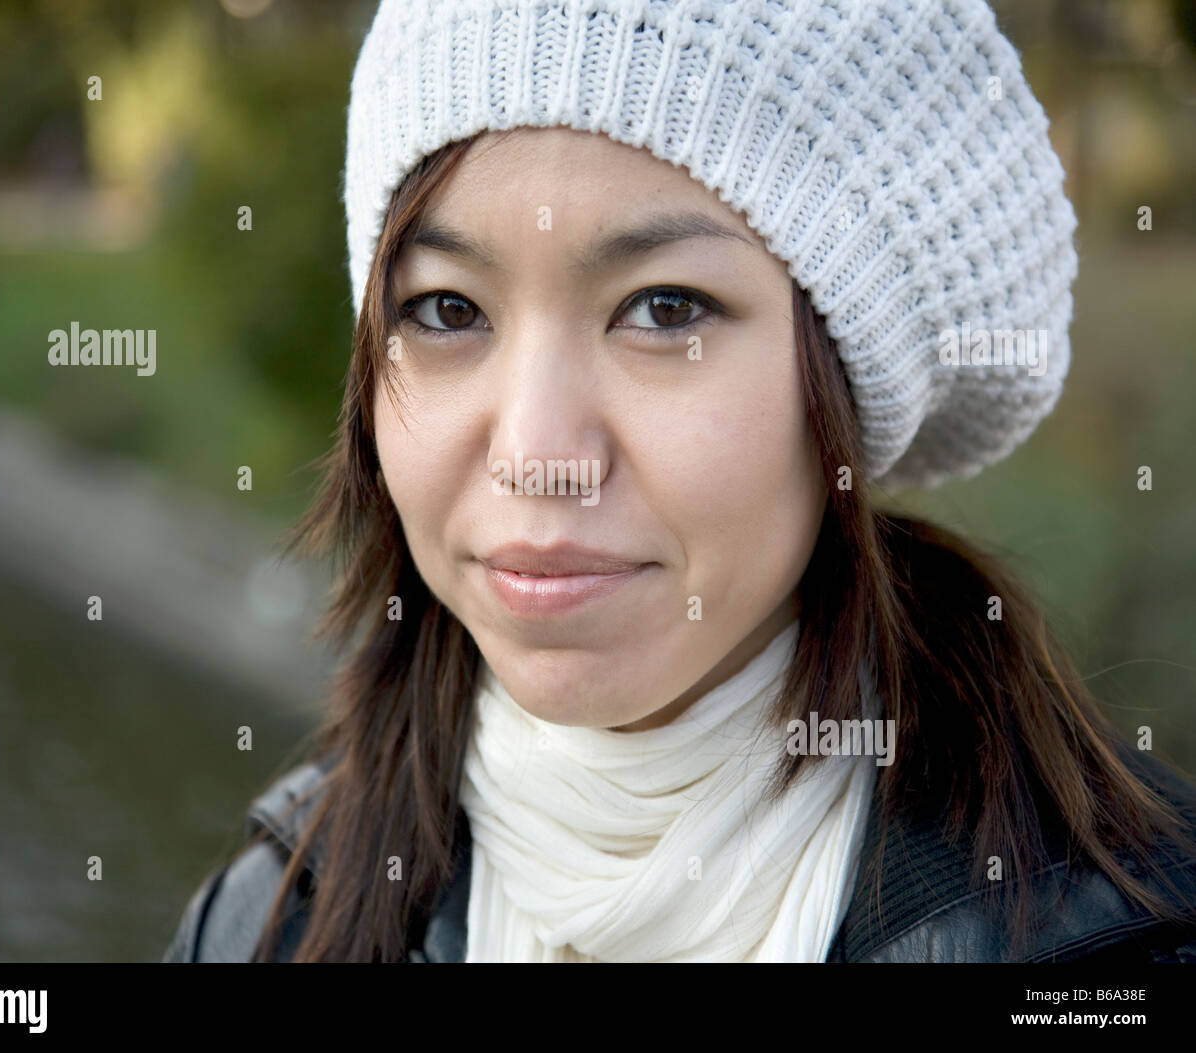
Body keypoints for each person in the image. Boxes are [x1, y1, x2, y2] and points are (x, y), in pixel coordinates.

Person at [163, 0, 1196, 963]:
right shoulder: (269, 913)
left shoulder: (1119, 935)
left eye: (663, 310)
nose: (536, 453)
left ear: (847, 379)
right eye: (446, 311)